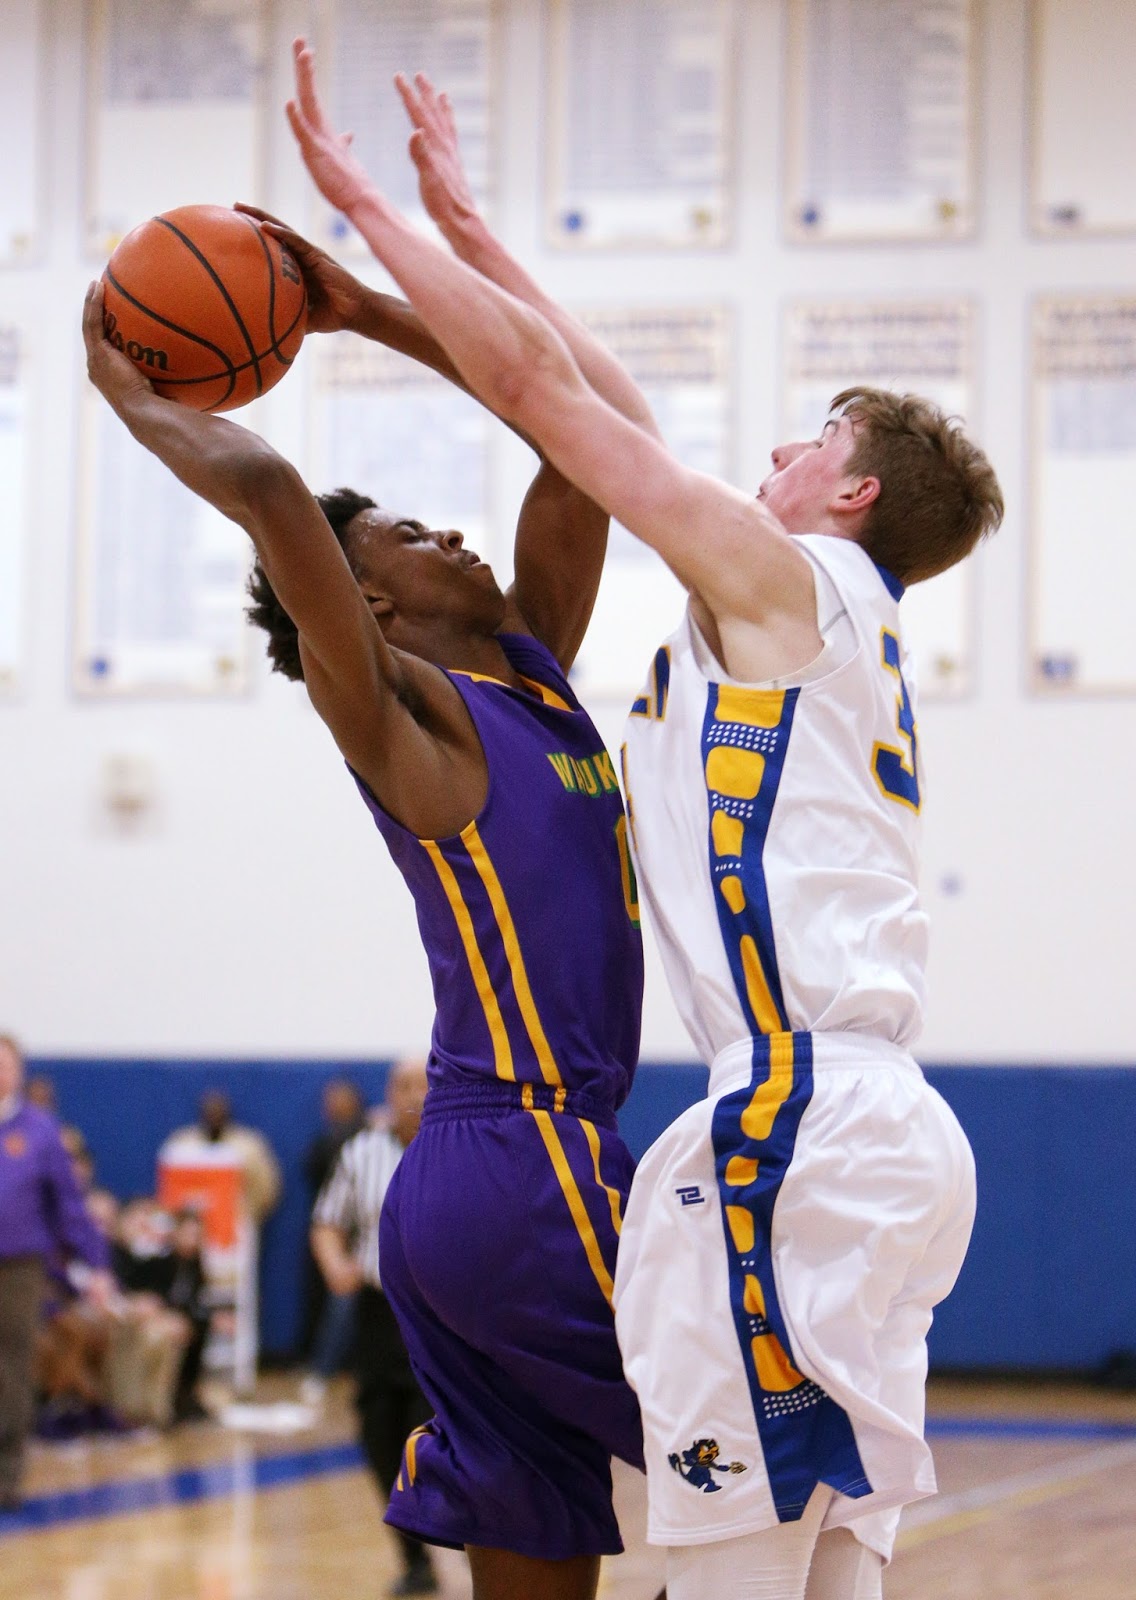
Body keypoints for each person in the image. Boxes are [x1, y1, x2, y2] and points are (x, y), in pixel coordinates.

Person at [281, 43, 1004, 1600]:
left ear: (851, 495)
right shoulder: (806, 618)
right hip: (879, 1131)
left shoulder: (790, 584)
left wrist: (365, 229)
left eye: (813, 440)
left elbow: (562, 407)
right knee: (826, 1552)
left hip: (792, 1124)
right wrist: (467, 230)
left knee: (735, 1555)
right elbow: (604, 402)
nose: (774, 455)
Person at [84, 150, 654, 1596]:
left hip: (496, 1174)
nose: (446, 529)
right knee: (777, 1452)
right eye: (406, 529)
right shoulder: (402, 717)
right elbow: (274, 488)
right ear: (370, 600)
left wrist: (360, 311)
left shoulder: (530, 672)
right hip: (525, 1163)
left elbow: (572, 436)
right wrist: (135, 399)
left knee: (540, 1565)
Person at [311, 1057, 436, 1597]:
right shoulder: (360, 1151)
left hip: (436, 1315)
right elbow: (326, 1221)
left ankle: (455, 1533)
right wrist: (334, 1263)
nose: (412, 1093)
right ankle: (414, 1557)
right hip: (376, 1311)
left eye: (422, 1083)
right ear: (388, 1093)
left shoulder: (454, 1148)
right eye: (402, 1084)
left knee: (422, 1430)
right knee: (376, 1431)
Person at [0, 1034, 114, 1506]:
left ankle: (7, 1473)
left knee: (13, 1365)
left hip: (20, 1266)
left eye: (5, 1063)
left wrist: (97, 1263)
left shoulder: (40, 1130)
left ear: (19, 1071)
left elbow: (69, 1204)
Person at [300, 1078, 367, 1399]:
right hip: (343, 1242)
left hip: (369, 1242)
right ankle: (324, 1370)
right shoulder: (327, 1139)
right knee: (341, 1304)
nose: (330, 1105)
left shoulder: (367, 1141)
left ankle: (327, 1370)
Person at [160, 1091, 282, 1228]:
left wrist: (246, 1216)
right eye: (210, 1113)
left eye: (218, 1113)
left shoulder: (248, 1146)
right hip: (192, 1229)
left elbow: (265, 1188)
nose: (214, 1117)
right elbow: (169, 1188)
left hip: (236, 1226)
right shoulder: (182, 1143)